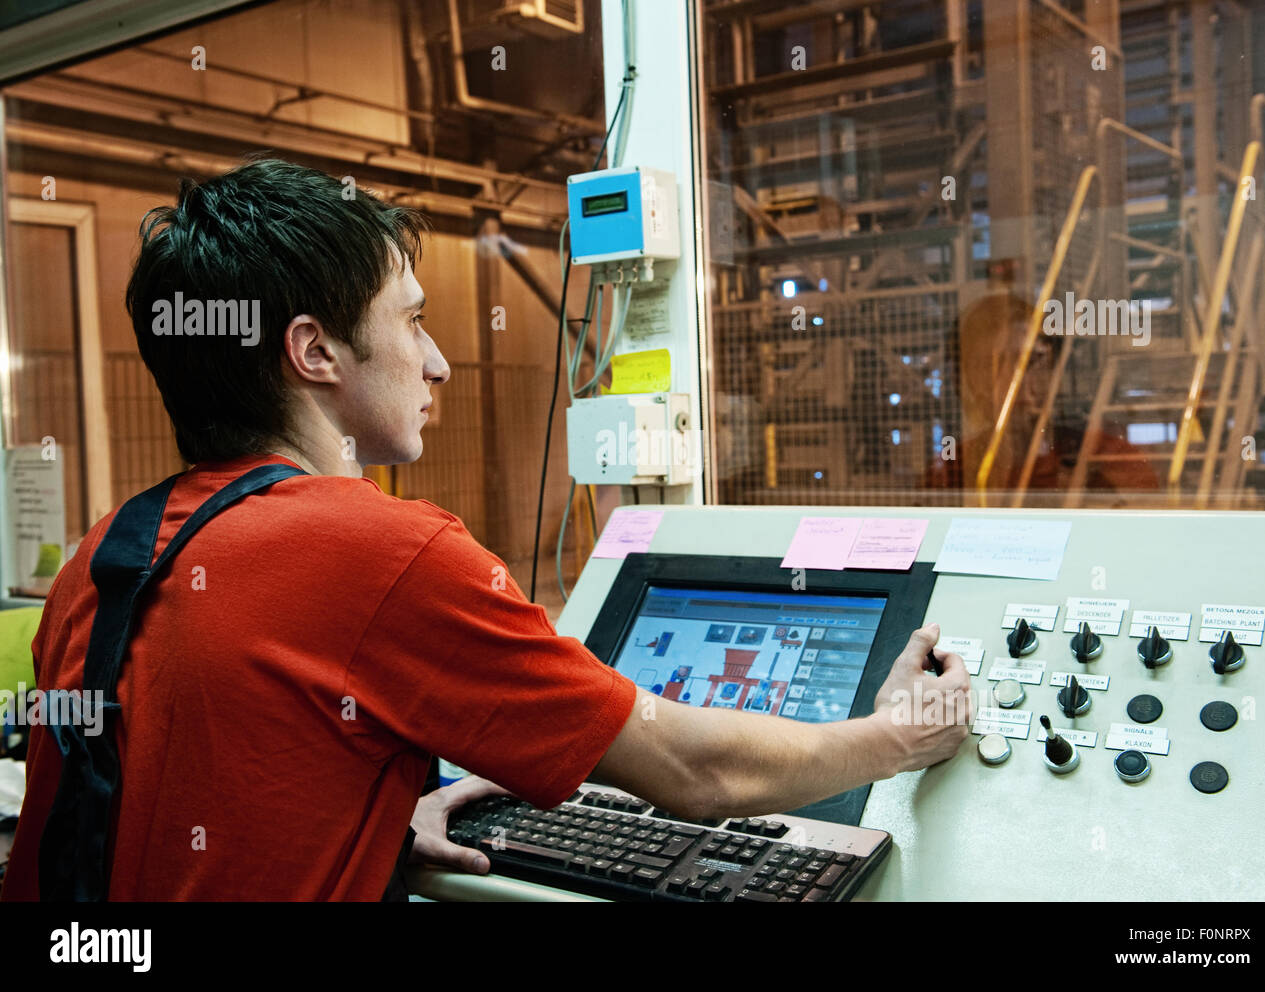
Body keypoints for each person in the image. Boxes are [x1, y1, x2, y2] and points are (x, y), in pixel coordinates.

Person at [1, 158, 970, 901]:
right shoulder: (380, 552)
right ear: (313, 351)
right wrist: (890, 736)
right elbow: (693, 768)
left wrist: (369, 824)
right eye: (411, 322)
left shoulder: (106, 556)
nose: (438, 364)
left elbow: (189, 805)